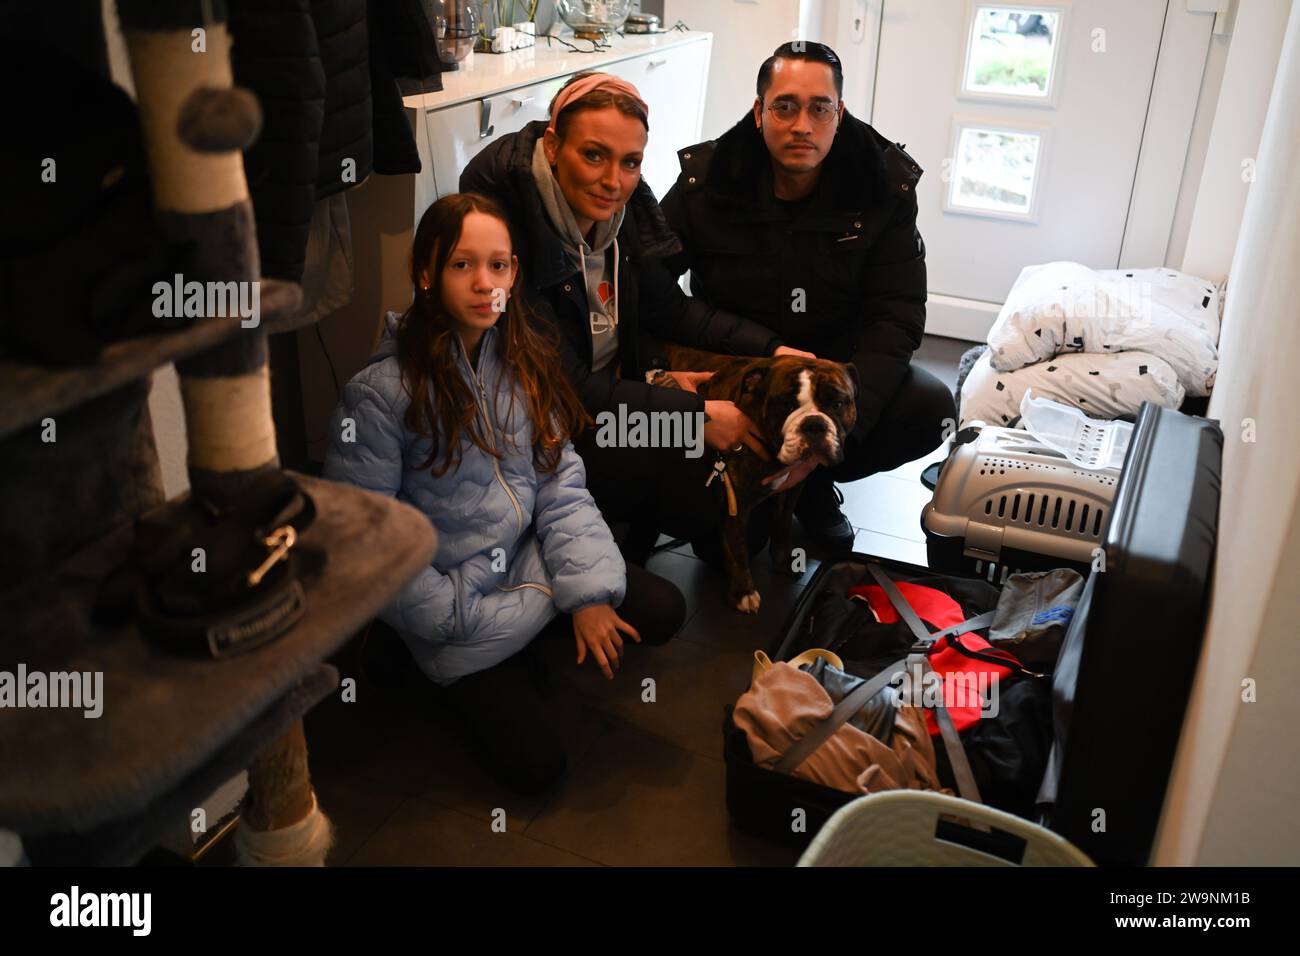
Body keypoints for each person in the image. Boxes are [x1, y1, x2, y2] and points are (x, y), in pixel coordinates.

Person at [323, 193, 685, 794]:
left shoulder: (520, 359)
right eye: (462, 265)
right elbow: (367, 543)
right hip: (451, 598)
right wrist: (453, 618)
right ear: (425, 274)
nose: (483, 282)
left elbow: (560, 484)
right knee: (537, 769)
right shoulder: (379, 396)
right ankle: (407, 661)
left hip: (524, 562)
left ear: (515, 274)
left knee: (662, 608)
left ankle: (525, 638)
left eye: (499, 265)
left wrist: (589, 594)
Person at [459, 71, 815, 563]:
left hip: (610, 400)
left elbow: (672, 309)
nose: (613, 182)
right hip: (556, 427)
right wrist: (691, 420)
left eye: (631, 163)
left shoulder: (619, 224)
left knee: (736, 520)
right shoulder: (507, 239)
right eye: (593, 155)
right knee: (705, 492)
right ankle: (593, 539)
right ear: (553, 145)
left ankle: (632, 527)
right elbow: (571, 387)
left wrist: (772, 348)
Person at [659, 42, 958, 553]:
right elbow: (653, 292)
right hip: (742, 375)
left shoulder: (883, 187)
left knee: (929, 407)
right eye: (785, 106)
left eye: (820, 108)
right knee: (719, 549)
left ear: (839, 114)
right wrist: (712, 372)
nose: (803, 125)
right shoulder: (706, 183)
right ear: (759, 112)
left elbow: (897, 317)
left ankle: (816, 480)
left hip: (836, 370)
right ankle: (742, 480)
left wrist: (833, 440)